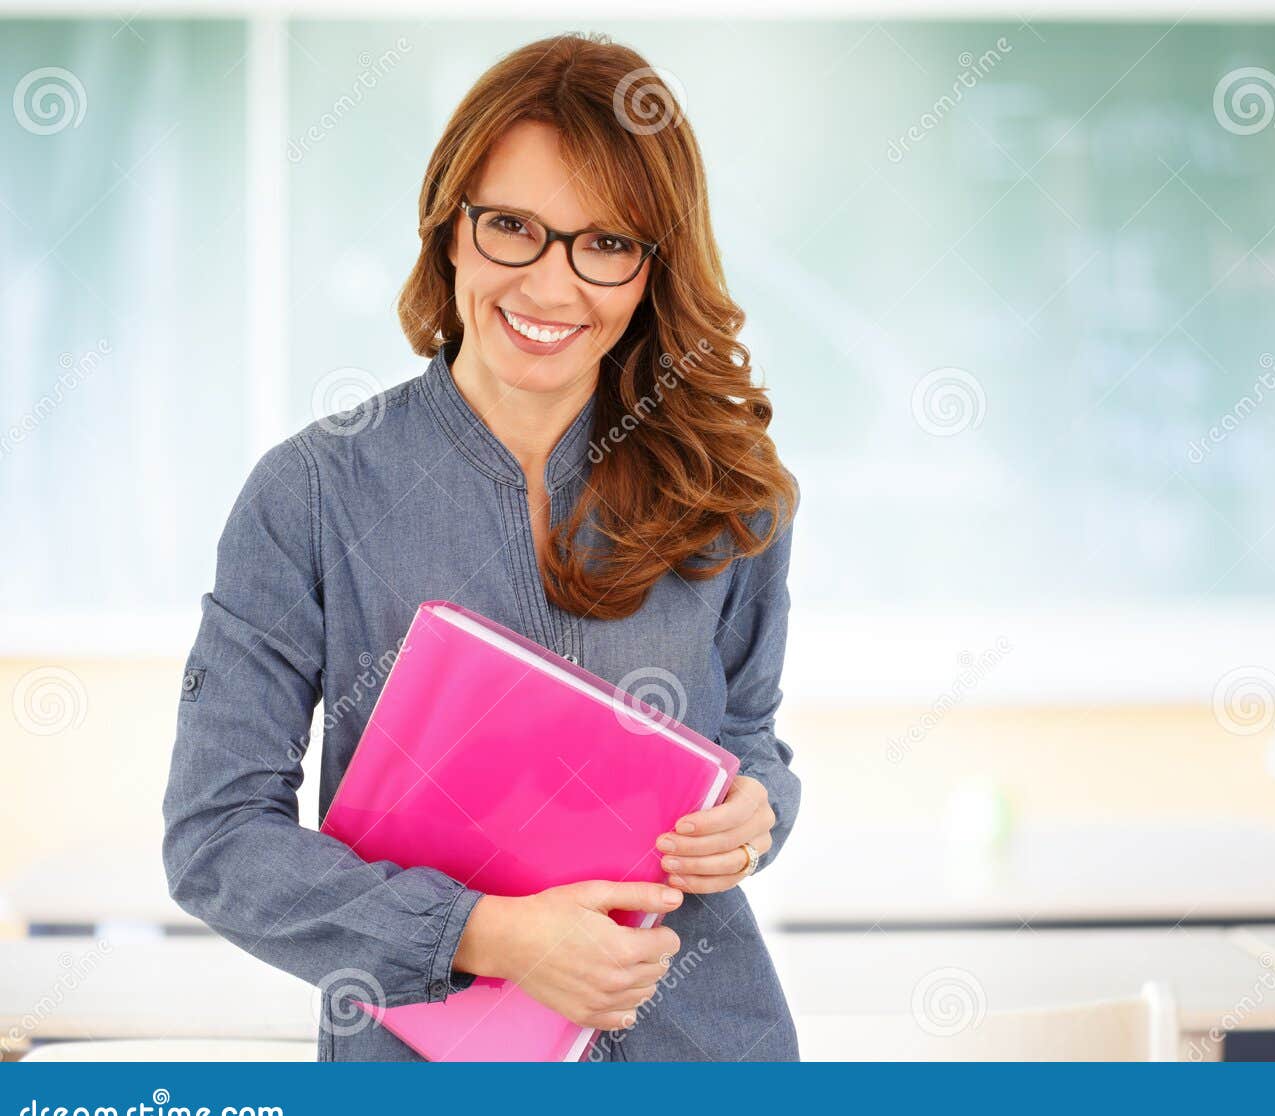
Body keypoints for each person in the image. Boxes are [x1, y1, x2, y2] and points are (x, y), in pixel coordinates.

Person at [162, 32, 801, 1062]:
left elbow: (750, 738)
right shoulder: (311, 494)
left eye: (605, 243)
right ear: (449, 230)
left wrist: (757, 810)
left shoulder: (725, 489)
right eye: (512, 227)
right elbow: (217, 840)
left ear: (651, 269)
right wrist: (487, 936)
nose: (551, 287)